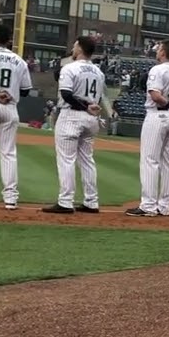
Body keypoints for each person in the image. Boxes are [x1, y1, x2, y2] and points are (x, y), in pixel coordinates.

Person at [42, 36, 105, 215]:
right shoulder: (99, 72)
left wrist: (84, 106)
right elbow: (98, 99)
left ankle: (65, 201)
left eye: (75, 45)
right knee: (87, 160)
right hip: (91, 118)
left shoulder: (70, 68)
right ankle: (91, 201)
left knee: (66, 160)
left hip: (71, 115)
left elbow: (67, 95)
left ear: (79, 48)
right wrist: (88, 106)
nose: (73, 47)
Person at [128, 41, 169, 217]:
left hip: (158, 115)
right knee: (168, 161)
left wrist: (168, 103)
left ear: (163, 52)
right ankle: (166, 205)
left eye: (159, 49)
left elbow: (155, 95)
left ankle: (148, 205)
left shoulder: (158, 69)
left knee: (150, 160)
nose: (157, 51)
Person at [0, 24, 33, 210]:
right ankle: (10, 199)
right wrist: (9, 91)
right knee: (8, 153)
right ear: (10, 39)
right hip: (9, 108)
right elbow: (25, 91)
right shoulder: (20, 61)